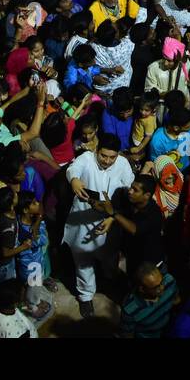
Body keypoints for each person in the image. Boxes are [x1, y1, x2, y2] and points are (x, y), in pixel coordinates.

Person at [62, 134, 135, 318]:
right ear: (97, 150)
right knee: (83, 260)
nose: (108, 161)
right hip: (83, 221)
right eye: (103, 156)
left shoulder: (123, 164)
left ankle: (108, 280)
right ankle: (85, 296)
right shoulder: (86, 159)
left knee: (109, 257)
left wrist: (113, 217)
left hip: (110, 221)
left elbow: (128, 194)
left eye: (112, 157)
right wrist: (74, 180)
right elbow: (73, 169)